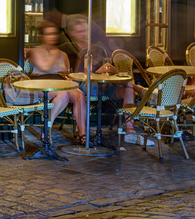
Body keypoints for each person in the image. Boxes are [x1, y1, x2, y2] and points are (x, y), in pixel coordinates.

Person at [61, 14, 144, 144]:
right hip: (81, 86)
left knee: (128, 90)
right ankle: (140, 89)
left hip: (103, 86)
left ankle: (130, 132)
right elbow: (66, 71)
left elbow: (108, 69)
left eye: (86, 31)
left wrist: (108, 69)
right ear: (73, 33)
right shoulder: (67, 48)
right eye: (80, 31)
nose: (84, 34)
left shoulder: (97, 48)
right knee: (82, 93)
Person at [28, 21, 88, 144]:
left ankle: (82, 134)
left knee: (79, 95)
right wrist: (54, 55)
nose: (52, 37)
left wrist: (68, 78)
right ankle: (46, 128)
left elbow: (67, 72)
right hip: (40, 84)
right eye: (49, 34)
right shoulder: (37, 51)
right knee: (63, 94)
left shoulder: (63, 54)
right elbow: (45, 68)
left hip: (60, 84)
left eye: (54, 34)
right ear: (42, 36)